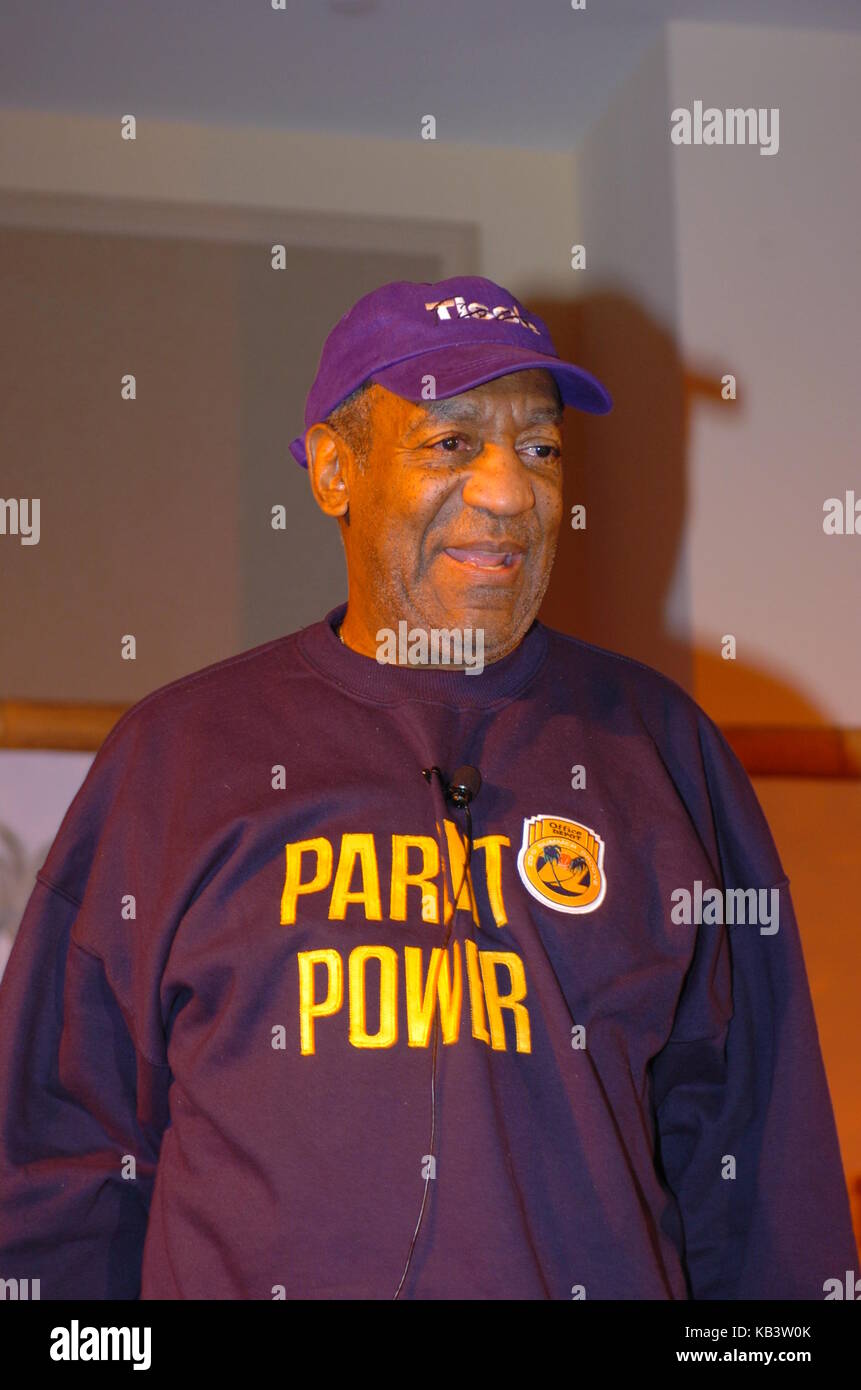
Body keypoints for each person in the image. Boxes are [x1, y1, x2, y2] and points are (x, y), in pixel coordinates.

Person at [0, 276, 855, 1300]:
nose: (509, 492)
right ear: (333, 469)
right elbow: (57, 1171)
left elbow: (761, 1177)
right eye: (452, 443)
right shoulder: (177, 755)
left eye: (540, 447)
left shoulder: (661, 749)